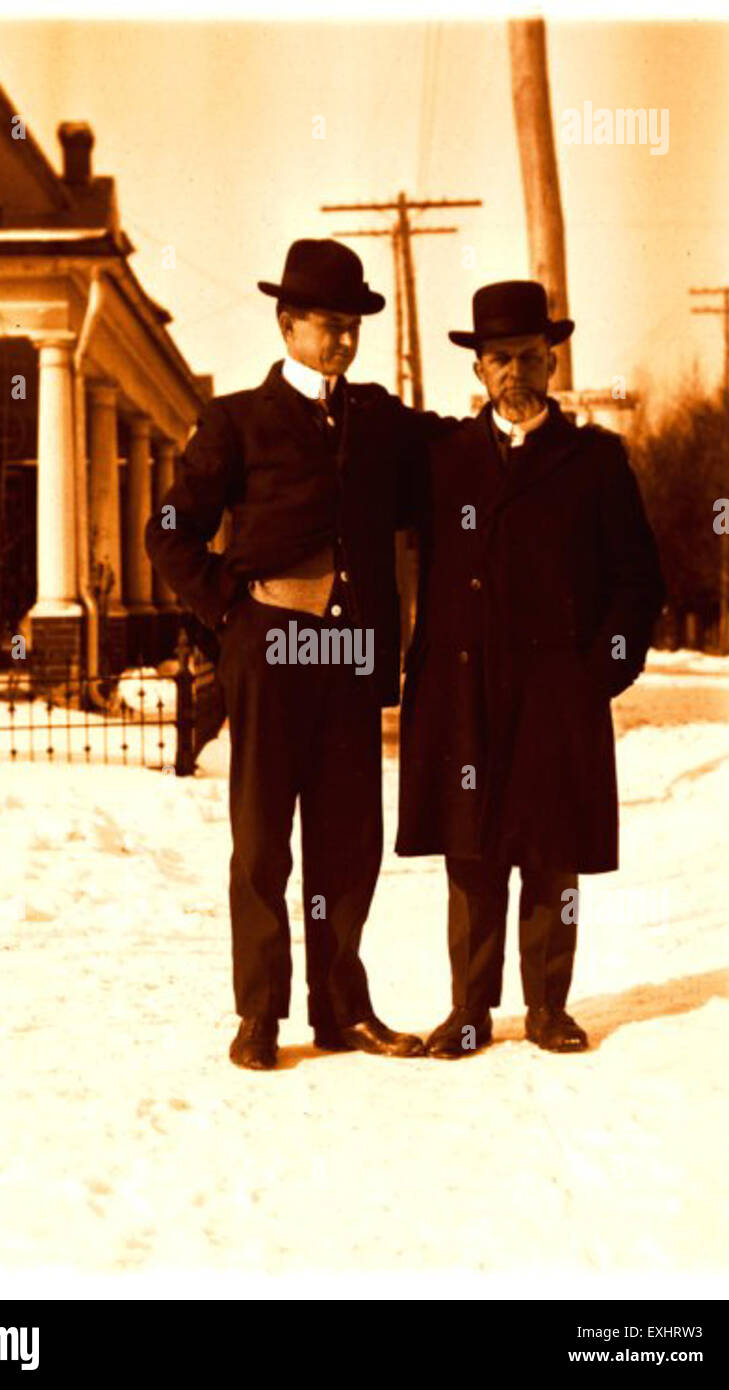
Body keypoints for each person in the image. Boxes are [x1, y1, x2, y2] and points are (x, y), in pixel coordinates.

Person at [146, 238, 455, 1070]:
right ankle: (258, 1016)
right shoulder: (236, 420)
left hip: (349, 648)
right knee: (260, 839)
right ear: (286, 323)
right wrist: (227, 615)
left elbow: (458, 454)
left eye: (352, 325)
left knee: (348, 837)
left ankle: (341, 1008)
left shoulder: (379, 420)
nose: (342, 339)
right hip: (268, 641)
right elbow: (169, 532)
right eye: (326, 323)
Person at [396, 280, 665, 1057]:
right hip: (462, 691)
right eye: (495, 360)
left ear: (550, 361)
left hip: (557, 694)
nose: (511, 373)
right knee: (470, 852)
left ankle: (548, 1007)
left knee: (552, 853)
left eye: (524, 357)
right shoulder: (443, 461)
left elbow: (636, 581)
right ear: (477, 372)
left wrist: (598, 673)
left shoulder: (594, 461)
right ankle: (470, 1012)